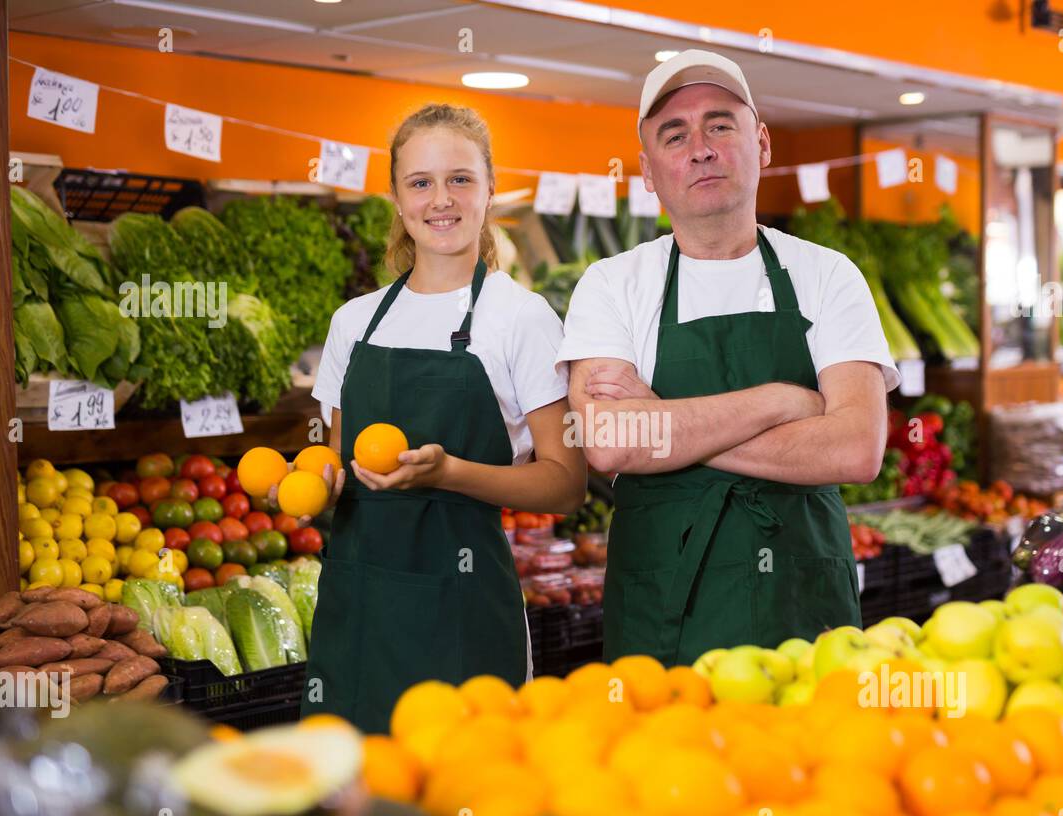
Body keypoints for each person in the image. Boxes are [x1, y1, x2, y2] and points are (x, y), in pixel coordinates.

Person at [557, 51, 900, 667]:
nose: (700, 148)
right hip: (663, 608)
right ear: (647, 170)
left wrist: (667, 424)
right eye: (674, 134)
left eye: (720, 124)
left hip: (803, 607)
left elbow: (856, 448)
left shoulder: (828, 276)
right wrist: (780, 404)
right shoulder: (611, 285)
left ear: (761, 143)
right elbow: (609, 446)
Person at [293, 103, 587, 733]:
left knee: (466, 792)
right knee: (355, 800)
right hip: (359, 604)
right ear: (397, 200)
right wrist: (304, 485)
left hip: (463, 607)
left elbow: (565, 482)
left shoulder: (523, 319)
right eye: (419, 182)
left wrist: (449, 472)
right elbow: (340, 463)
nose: (440, 200)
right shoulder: (355, 321)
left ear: (489, 191)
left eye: (460, 179)